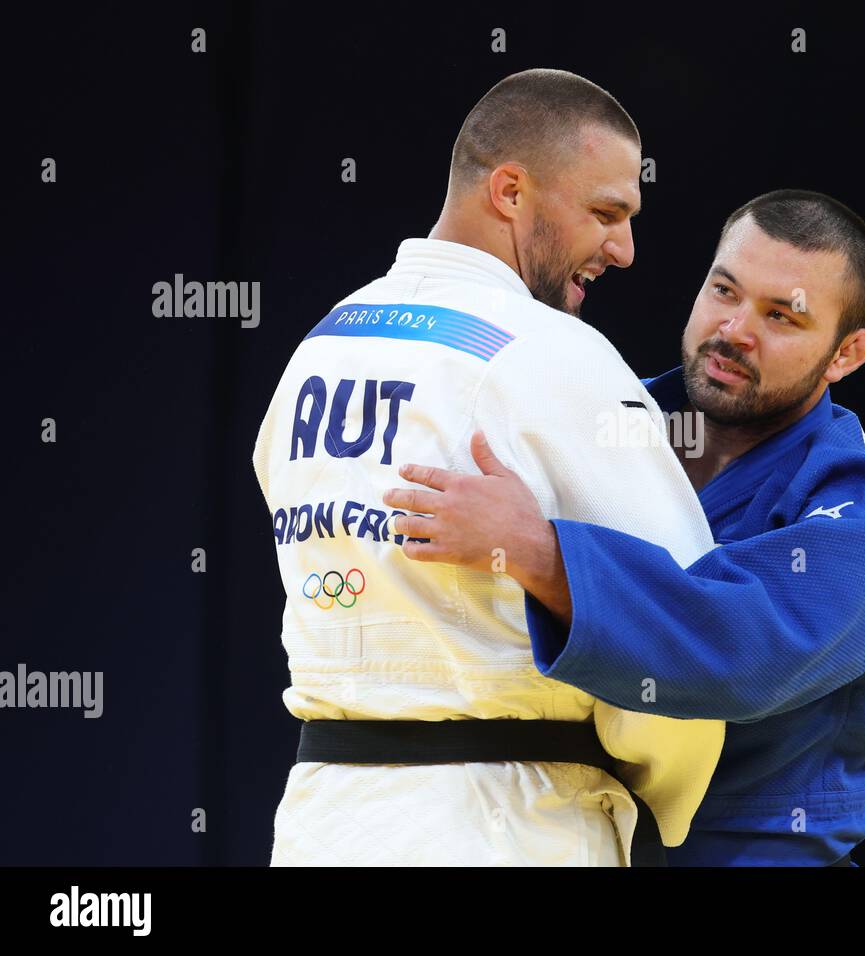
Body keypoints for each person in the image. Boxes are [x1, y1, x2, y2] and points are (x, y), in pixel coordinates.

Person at [251, 68, 724, 866]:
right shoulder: (556, 354)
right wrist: (672, 790)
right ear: (510, 190)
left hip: (322, 823)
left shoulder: (315, 351)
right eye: (606, 213)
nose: (625, 249)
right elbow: (679, 636)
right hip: (505, 823)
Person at [385, 189, 865, 866]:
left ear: (847, 353)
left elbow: (742, 650)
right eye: (724, 291)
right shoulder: (602, 414)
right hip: (557, 832)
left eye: (781, 317)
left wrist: (536, 552)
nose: (735, 329)